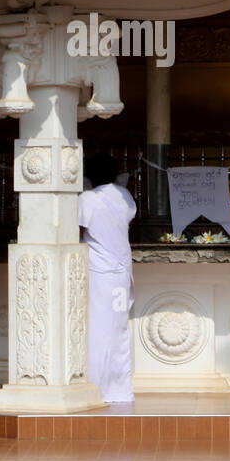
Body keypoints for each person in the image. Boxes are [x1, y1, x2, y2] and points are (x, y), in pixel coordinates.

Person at [78, 153, 137, 403]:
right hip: (121, 271)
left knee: (97, 331)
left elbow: (76, 231)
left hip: (99, 272)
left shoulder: (87, 198)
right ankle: (120, 390)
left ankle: (97, 388)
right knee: (118, 329)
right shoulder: (125, 196)